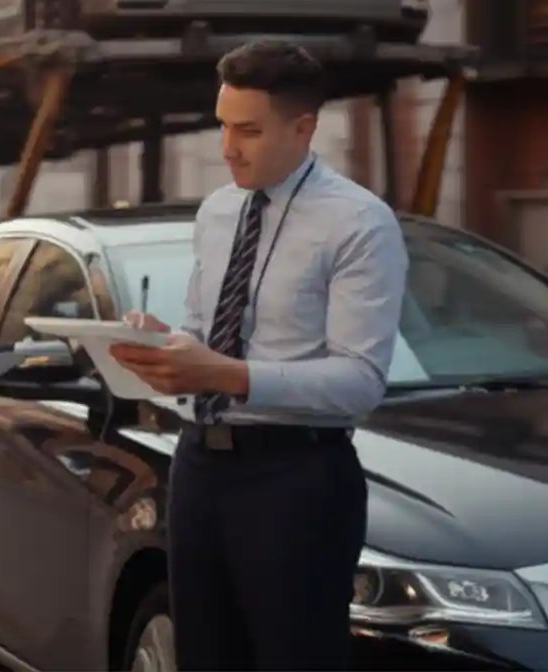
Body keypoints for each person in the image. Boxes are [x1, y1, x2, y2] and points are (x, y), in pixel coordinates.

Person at [110, 41, 408, 670]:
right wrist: (161, 342)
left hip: (295, 482)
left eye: (248, 130)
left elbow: (359, 382)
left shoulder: (360, 224)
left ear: (304, 128)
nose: (227, 147)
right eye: (223, 125)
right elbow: (202, 331)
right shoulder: (217, 212)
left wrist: (225, 374)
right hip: (198, 469)